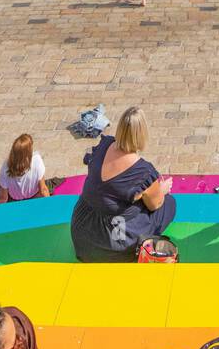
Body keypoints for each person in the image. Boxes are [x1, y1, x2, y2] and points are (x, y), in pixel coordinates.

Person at [70, 107, 175, 262]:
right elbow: (155, 205)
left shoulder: (103, 146)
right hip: (113, 241)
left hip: (82, 233)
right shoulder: (143, 171)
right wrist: (162, 190)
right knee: (169, 204)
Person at [0, 135, 49, 203]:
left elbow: (3, 197)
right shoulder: (36, 160)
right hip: (34, 198)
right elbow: (43, 190)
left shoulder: (6, 166)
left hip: (15, 201)